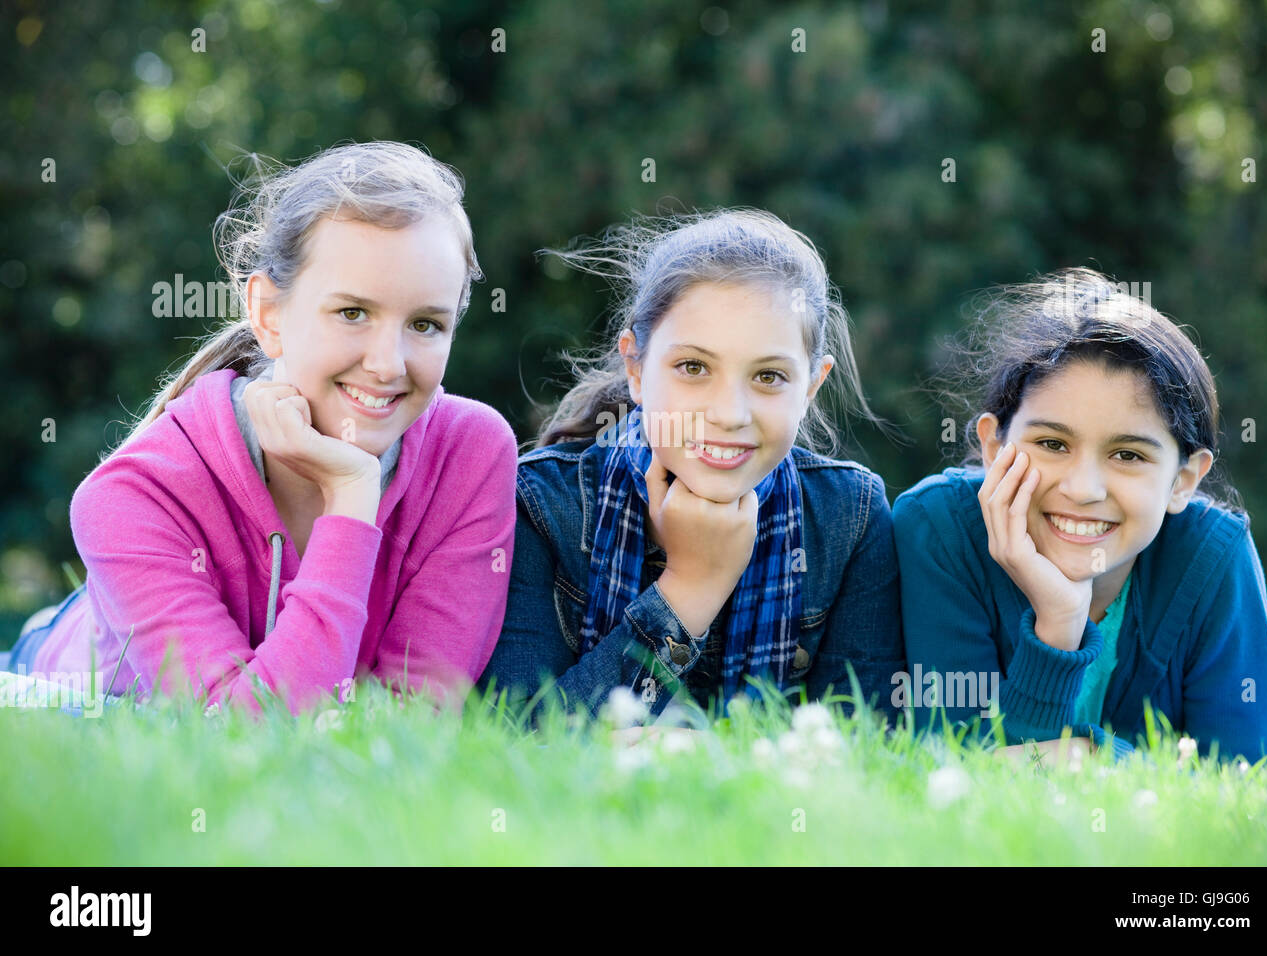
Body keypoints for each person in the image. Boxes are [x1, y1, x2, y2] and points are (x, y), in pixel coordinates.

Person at [6, 141, 517, 716]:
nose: (388, 364)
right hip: (58, 677)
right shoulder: (127, 498)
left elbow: (415, 723)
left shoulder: (472, 453)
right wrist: (350, 500)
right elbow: (246, 735)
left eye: (425, 323)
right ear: (269, 315)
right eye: (352, 313)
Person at [480, 209, 904, 723]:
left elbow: (862, 743)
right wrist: (689, 589)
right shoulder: (542, 505)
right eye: (694, 368)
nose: (729, 414)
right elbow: (518, 738)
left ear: (811, 388)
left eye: (769, 377)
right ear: (636, 368)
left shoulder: (850, 518)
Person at [894, 268, 1267, 765]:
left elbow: (1245, 790)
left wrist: (1090, 756)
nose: (1082, 490)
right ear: (995, 446)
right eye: (1052, 444)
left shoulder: (1213, 558)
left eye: (1128, 455)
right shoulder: (938, 531)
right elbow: (958, 774)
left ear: (1183, 480)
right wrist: (1058, 623)